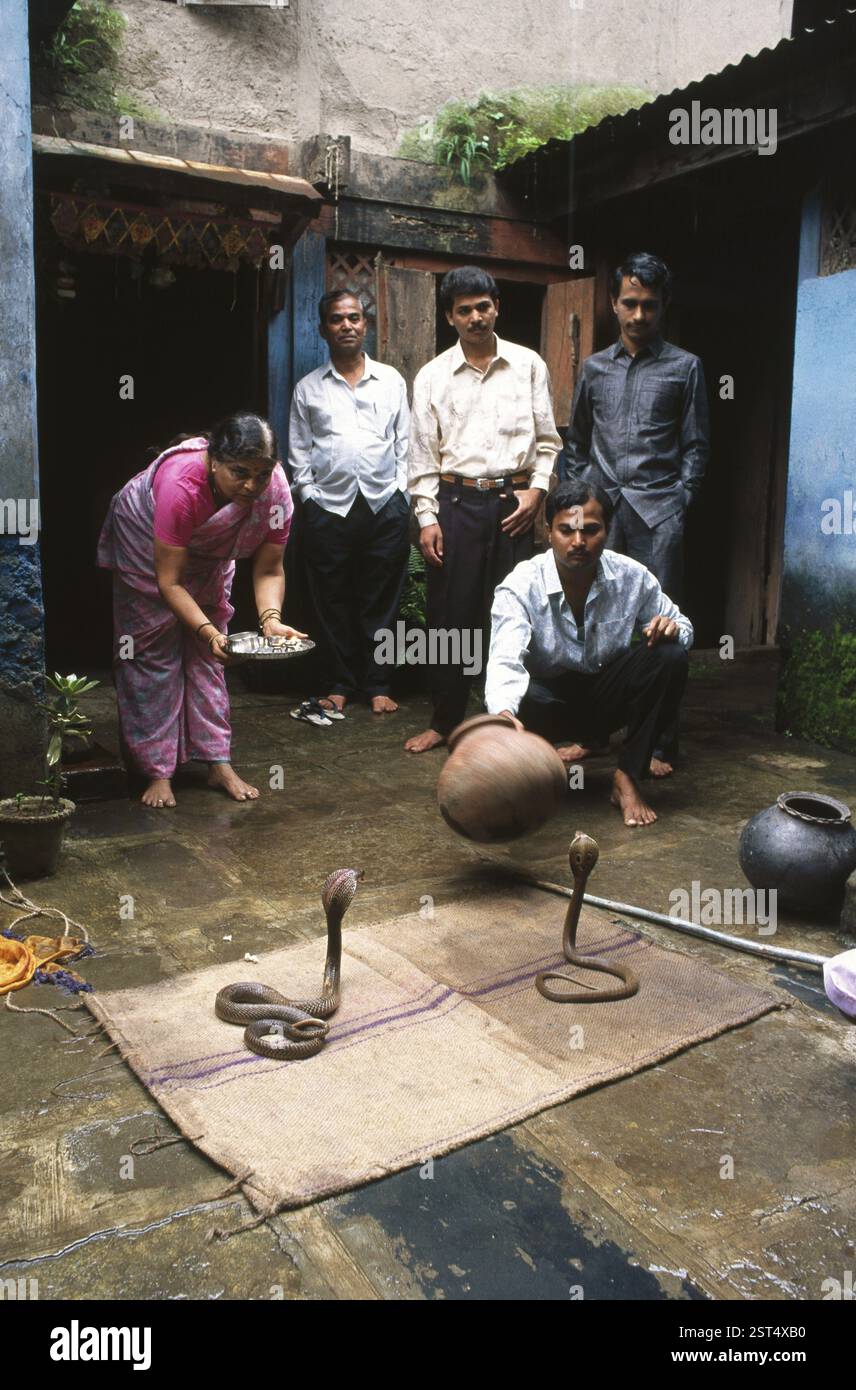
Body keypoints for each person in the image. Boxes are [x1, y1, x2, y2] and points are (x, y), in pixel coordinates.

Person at [97, 414, 304, 807]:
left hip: (210, 555)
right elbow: (170, 582)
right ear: (213, 461)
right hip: (146, 543)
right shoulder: (182, 484)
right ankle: (157, 769)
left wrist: (271, 620)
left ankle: (217, 761)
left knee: (210, 658)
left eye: (261, 474)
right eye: (239, 472)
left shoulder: (274, 492)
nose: (251, 485)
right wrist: (208, 632)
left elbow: (269, 567)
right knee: (151, 655)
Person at [559, 251, 709, 775]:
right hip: (602, 515)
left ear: (662, 305)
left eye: (649, 305)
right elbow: (575, 441)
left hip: (658, 515)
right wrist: (582, 499)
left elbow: (696, 446)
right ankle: (595, 732)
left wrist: (679, 502)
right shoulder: (595, 368)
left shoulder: (685, 367)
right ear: (613, 304)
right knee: (596, 623)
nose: (639, 315)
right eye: (629, 303)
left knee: (660, 628)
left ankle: (660, 744)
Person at [405, 266, 562, 753]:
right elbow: (421, 455)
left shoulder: (529, 365)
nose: (476, 317)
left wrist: (536, 494)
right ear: (450, 317)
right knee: (450, 615)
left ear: (497, 307)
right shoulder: (432, 376)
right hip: (455, 502)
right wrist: (427, 517)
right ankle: (445, 719)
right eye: (464, 310)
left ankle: (512, 720)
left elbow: (548, 441)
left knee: (517, 611)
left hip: (513, 503)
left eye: (483, 306)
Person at [484, 480, 692, 827]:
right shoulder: (521, 584)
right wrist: (504, 715)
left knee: (670, 655)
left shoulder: (632, 576)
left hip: (605, 700)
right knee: (518, 699)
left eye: (591, 530)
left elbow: (682, 623)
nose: (578, 542)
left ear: (607, 531)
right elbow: (505, 657)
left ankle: (626, 777)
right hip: (546, 707)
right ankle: (533, 767)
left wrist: (672, 629)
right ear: (547, 531)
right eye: (566, 530)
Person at [288, 290, 411, 722]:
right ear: (323, 329)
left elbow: (405, 444)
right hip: (330, 510)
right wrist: (311, 501)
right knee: (332, 599)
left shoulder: (392, 381)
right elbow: (299, 455)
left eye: (354, 318)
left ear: (366, 325)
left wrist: (401, 495)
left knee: (382, 599)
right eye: (337, 319)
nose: (347, 325)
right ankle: (340, 684)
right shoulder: (308, 389)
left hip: (383, 506)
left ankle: (378, 685)